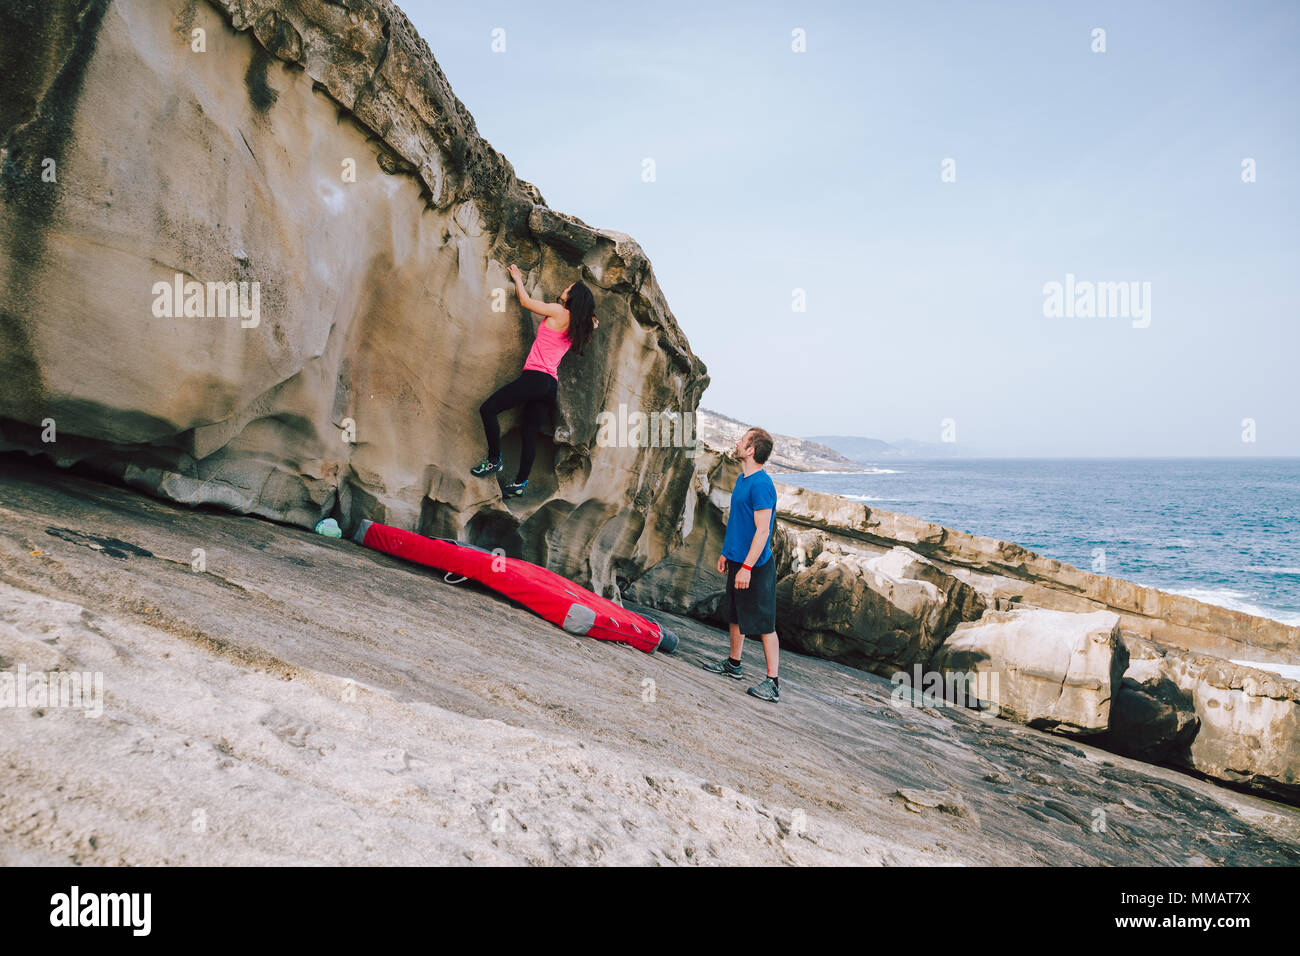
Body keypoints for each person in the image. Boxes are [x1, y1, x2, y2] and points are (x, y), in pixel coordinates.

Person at [471, 264, 598, 497]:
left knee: (488, 409)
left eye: (569, 288)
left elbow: (526, 302)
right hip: (550, 386)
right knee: (529, 433)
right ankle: (520, 483)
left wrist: (518, 279)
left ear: (574, 296)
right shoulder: (581, 325)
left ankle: (493, 460)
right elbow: (593, 323)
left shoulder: (559, 311)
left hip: (536, 377)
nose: (565, 288)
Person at [702, 426, 781, 702]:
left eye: (743, 440)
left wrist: (747, 567)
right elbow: (738, 522)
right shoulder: (743, 479)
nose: (737, 443)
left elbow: (762, 532)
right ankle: (733, 665)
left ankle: (773, 683)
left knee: (764, 624)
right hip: (737, 559)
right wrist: (727, 553)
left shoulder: (761, 485)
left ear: (750, 450)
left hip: (756, 566)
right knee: (735, 615)